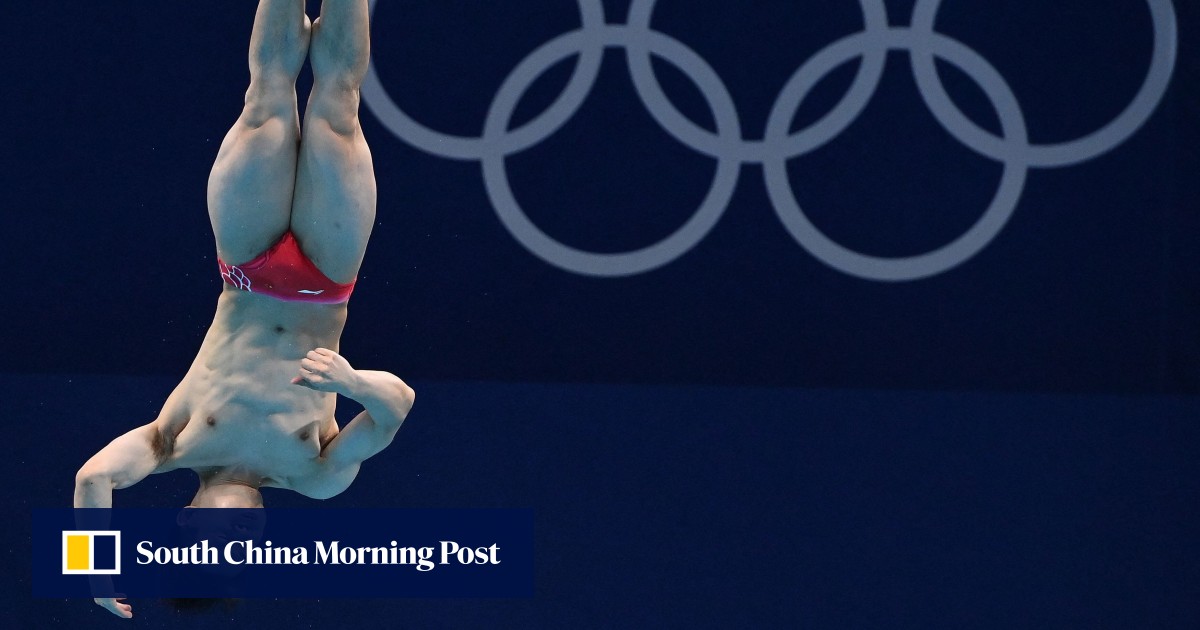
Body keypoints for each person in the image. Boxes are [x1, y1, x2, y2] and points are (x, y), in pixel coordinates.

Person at [73, 0, 414, 618]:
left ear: (186, 520)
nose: (239, 539)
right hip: (328, 276)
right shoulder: (316, 477)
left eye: (215, 545)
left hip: (246, 263)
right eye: (245, 552)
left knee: (267, 98)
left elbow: (91, 480)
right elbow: (396, 409)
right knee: (339, 106)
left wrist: (90, 577)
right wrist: (354, 382)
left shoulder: (169, 447)